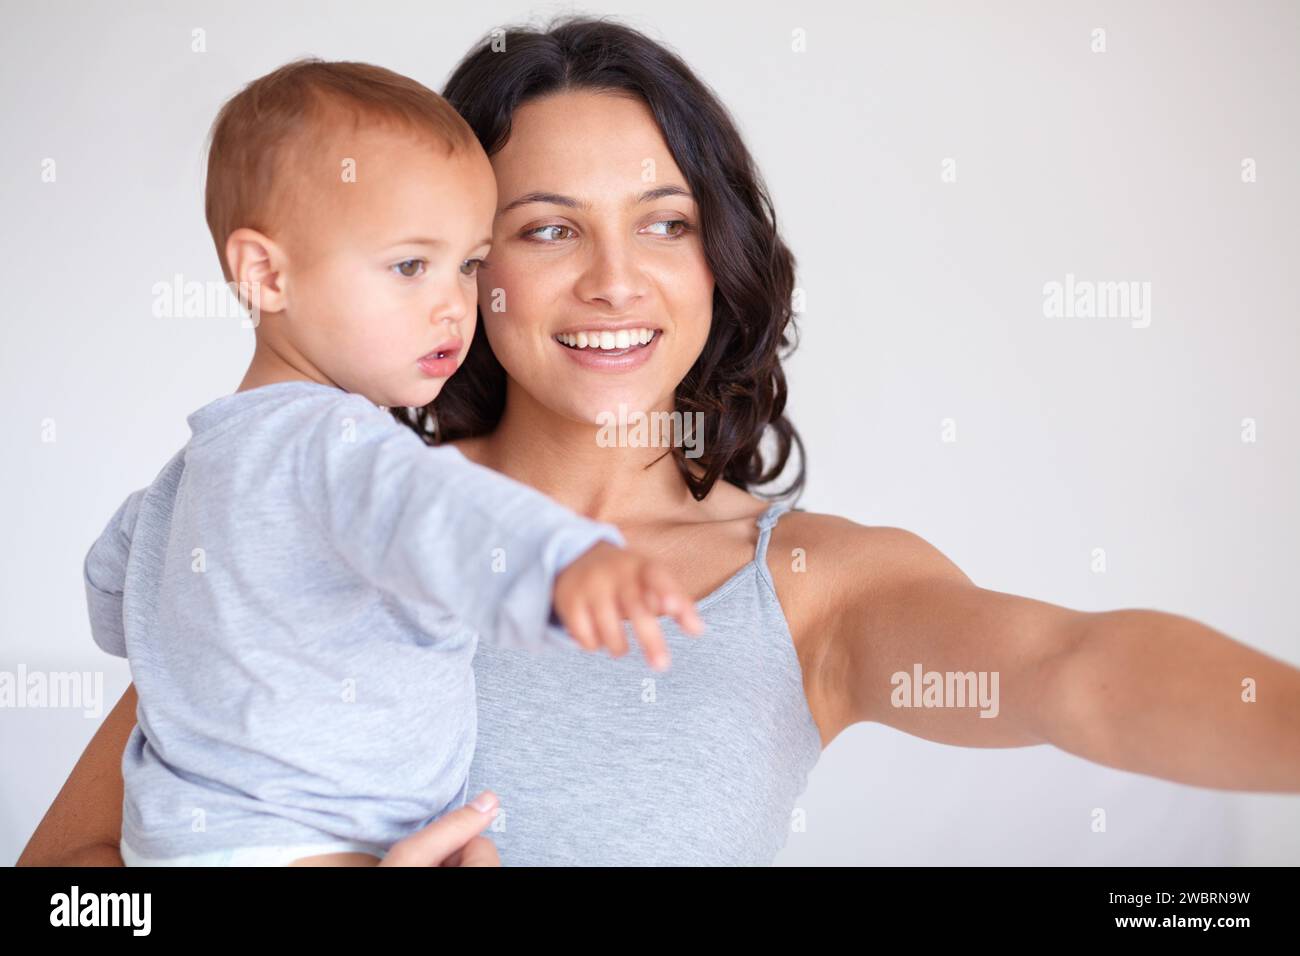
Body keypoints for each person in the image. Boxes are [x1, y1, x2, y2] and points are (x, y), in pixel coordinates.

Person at [20, 18, 1300, 869]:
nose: (615, 281)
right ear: (465, 263)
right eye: (544, 228)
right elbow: (65, 891)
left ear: (718, 253)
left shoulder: (813, 588)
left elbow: (1077, 670)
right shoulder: (302, 527)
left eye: (667, 222)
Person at [80, 58, 702, 868]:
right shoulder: (339, 442)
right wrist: (565, 563)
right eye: (410, 265)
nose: (453, 304)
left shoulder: (190, 471)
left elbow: (110, 595)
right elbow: (438, 511)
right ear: (266, 274)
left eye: (469, 265)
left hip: (176, 842)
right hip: (311, 842)